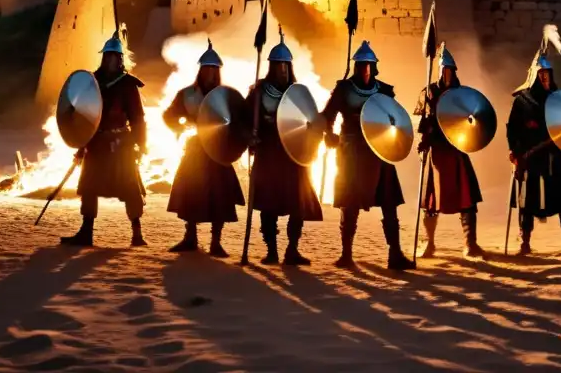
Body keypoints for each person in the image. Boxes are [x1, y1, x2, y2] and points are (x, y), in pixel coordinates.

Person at [321, 40, 416, 271]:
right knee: (350, 203)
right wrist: (329, 134)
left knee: (389, 202)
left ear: (374, 67)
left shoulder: (384, 91)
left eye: (369, 65)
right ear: (356, 66)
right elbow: (327, 116)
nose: (365, 69)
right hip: (351, 153)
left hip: (379, 152)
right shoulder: (343, 89)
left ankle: (395, 253)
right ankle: (346, 254)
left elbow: (394, 118)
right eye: (362, 65)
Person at [61, 30, 148, 247]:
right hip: (96, 142)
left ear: (120, 59)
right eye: (107, 56)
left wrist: (141, 144)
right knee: (89, 187)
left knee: (130, 188)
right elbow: (82, 112)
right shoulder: (92, 81)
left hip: (121, 145)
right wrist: (81, 141)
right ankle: (86, 231)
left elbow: (138, 117)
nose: (110, 60)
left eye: (114, 56)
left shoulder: (128, 85)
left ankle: (137, 233)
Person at [244, 30, 323, 265]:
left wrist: (318, 135)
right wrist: (250, 135)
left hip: (294, 156)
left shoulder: (297, 92)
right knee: (268, 204)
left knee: (297, 204)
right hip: (268, 153)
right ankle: (271, 250)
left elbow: (311, 120)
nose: (282, 70)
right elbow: (244, 119)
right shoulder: (258, 92)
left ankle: (292, 249)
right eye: (278, 65)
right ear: (271, 66)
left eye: (285, 65)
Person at [164, 40, 245, 257]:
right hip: (195, 150)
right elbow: (169, 115)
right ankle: (190, 237)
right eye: (207, 69)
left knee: (220, 197)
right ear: (200, 70)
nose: (210, 73)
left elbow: (240, 122)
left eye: (214, 69)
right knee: (191, 194)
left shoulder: (226, 96)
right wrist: (181, 124)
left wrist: (242, 138)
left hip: (219, 152)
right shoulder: (188, 94)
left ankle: (216, 242)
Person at [506, 52, 561, 255]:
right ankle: (525, 241)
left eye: (547, 73)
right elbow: (512, 128)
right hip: (531, 158)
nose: (544, 77)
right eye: (540, 73)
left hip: (554, 155)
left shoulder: (557, 98)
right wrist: (514, 150)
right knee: (527, 200)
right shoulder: (522, 101)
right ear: (533, 75)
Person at [413, 45, 485, 259]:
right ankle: (429, 243)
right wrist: (423, 140)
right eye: (444, 70)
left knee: (467, 199)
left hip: (456, 150)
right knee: (431, 202)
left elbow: (471, 119)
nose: (447, 74)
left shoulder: (461, 94)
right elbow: (420, 123)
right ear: (438, 71)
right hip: (436, 152)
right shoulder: (427, 93)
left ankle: (470, 244)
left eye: (450, 70)